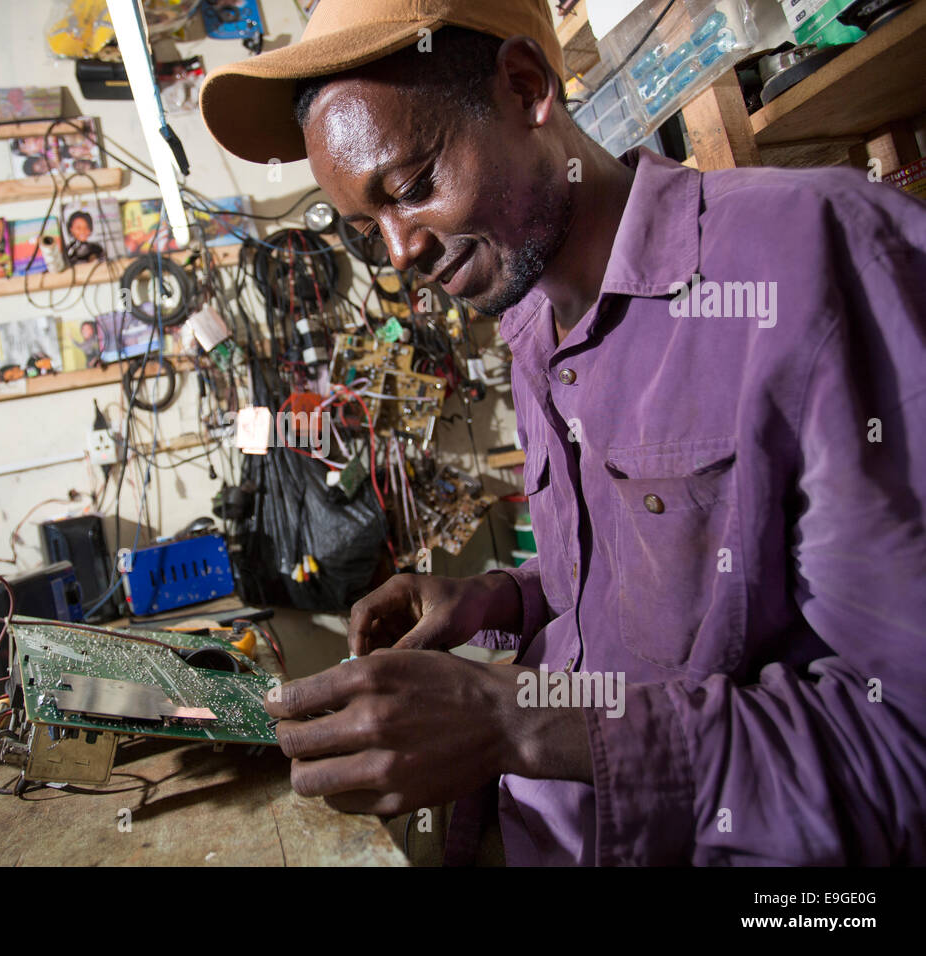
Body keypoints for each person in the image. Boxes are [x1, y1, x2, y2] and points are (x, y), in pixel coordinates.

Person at [199, 0, 926, 865]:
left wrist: (517, 724)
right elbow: (667, 566)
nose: (399, 253)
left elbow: (906, 741)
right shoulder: (532, 322)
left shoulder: (815, 253)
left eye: (414, 186)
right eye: (366, 234)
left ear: (526, 87)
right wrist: (503, 597)